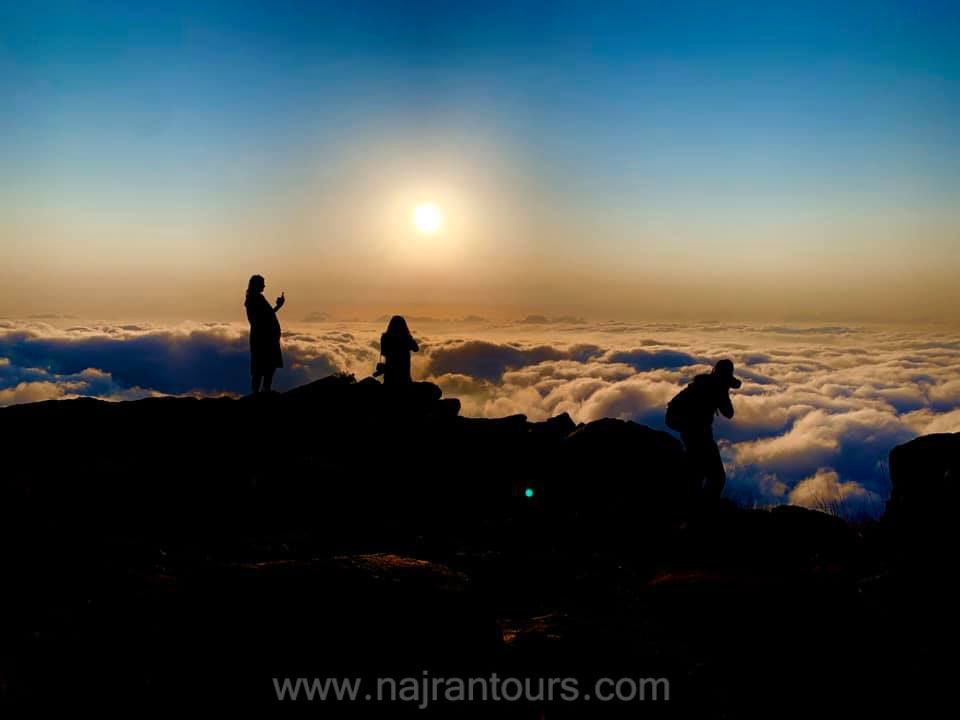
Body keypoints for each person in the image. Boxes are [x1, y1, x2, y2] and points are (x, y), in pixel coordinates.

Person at [665, 359, 741, 501]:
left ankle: (694, 507)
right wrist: (725, 389)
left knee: (697, 474)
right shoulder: (717, 387)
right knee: (717, 477)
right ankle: (703, 511)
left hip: (688, 431)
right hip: (698, 434)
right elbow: (729, 413)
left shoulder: (702, 383)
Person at [244, 274, 285, 393]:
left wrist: (278, 306)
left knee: (268, 367)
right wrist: (278, 307)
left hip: (266, 338)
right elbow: (261, 319)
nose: (264, 286)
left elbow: (267, 315)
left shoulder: (256, 298)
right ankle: (260, 392)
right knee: (262, 368)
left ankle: (264, 390)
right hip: (263, 339)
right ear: (256, 285)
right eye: (262, 283)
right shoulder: (254, 299)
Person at [377, 315, 419, 387]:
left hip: (389, 372)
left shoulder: (385, 337)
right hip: (403, 373)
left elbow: (383, 354)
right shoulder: (406, 337)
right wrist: (409, 336)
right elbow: (416, 348)